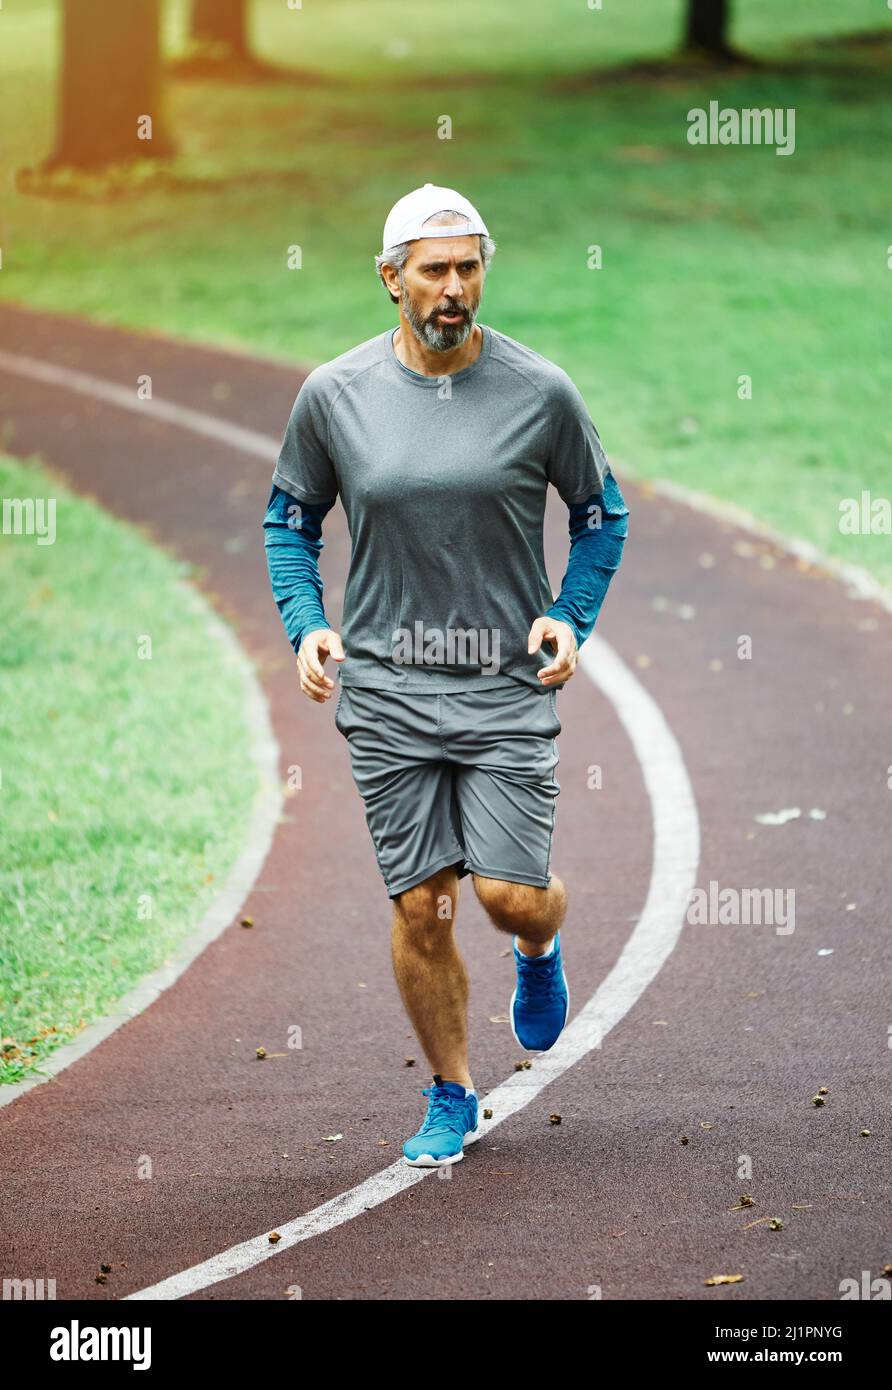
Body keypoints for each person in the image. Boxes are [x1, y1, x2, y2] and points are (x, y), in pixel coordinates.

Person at [262, 183, 629, 1167]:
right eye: (434, 269)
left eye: (469, 266)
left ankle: (539, 947)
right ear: (390, 279)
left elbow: (602, 516)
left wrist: (568, 615)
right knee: (421, 901)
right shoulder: (333, 397)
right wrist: (306, 625)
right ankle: (450, 1091)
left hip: (505, 682)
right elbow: (289, 521)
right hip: (386, 687)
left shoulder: (538, 391)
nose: (454, 286)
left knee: (508, 895)